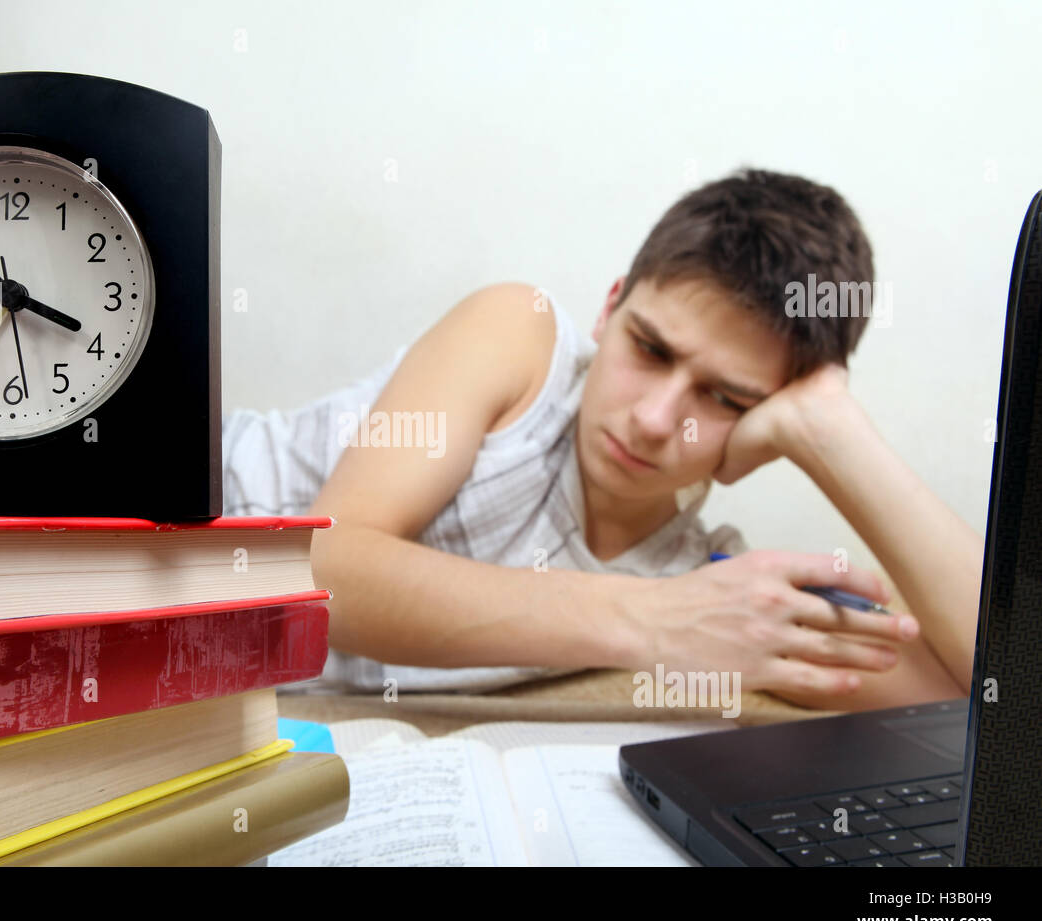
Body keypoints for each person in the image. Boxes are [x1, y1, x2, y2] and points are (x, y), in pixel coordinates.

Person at [222, 168, 980, 711]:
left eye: (725, 397)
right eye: (649, 349)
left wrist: (836, 435)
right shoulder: (523, 338)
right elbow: (327, 570)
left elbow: (984, 693)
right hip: (158, 495)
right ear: (611, 307)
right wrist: (654, 622)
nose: (654, 419)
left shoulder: (712, 587)